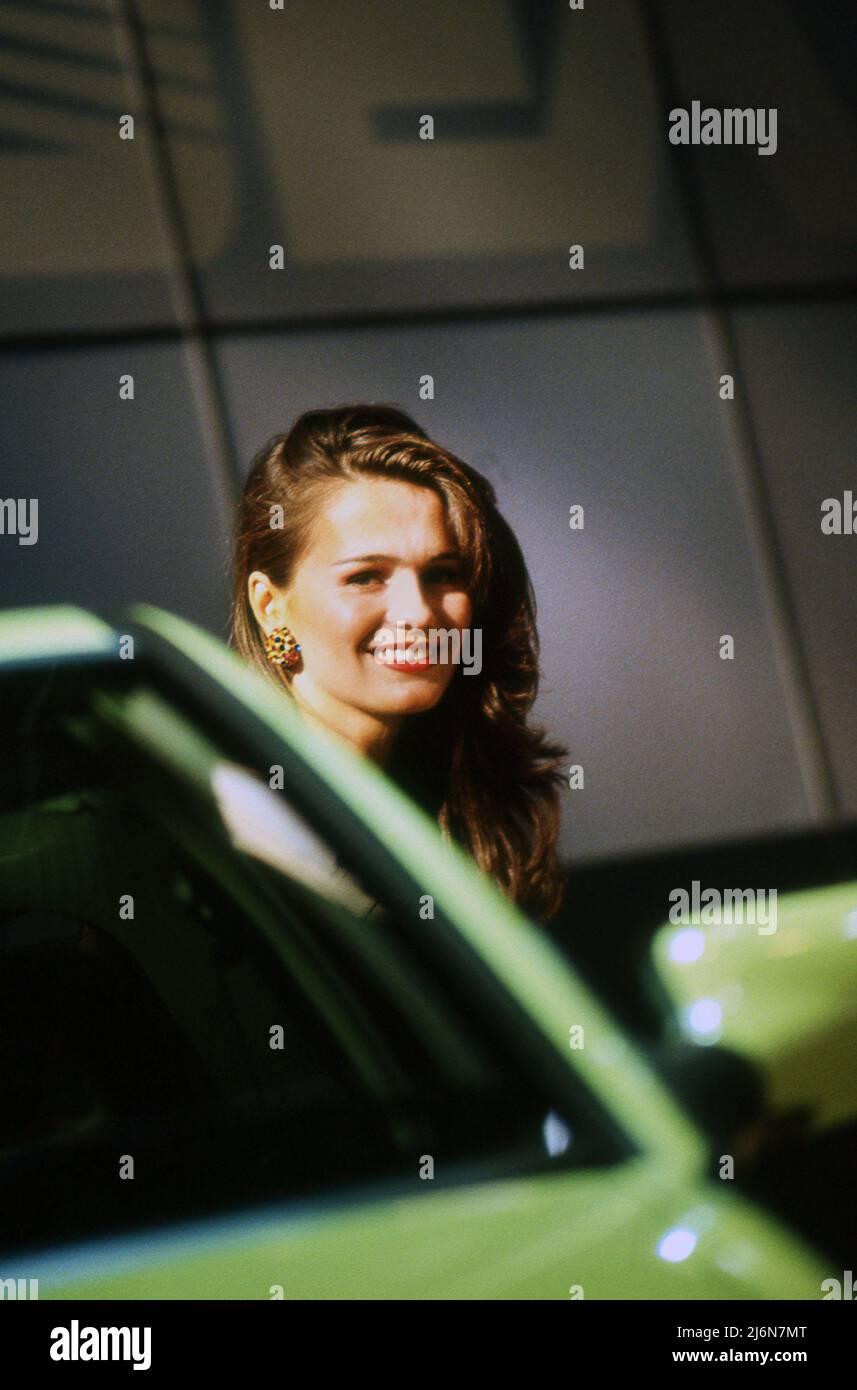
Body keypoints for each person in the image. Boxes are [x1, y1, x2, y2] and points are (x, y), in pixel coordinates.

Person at [230, 403, 566, 921]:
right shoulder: (242, 820)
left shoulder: (445, 800)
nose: (419, 614)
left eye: (443, 573)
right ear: (270, 606)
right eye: (366, 576)